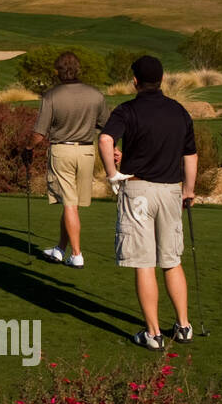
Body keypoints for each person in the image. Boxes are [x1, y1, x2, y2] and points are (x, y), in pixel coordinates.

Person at [98, 56, 197, 350]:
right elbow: (189, 155)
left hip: (138, 190)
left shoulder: (127, 109)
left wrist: (113, 173)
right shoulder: (179, 111)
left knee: (144, 263)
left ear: (135, 82)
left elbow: (105, 140)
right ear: (162, 80)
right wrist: (189, 190)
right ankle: (183, 326)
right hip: (170, 191)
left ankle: (153, 334)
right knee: (171, 261)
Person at [24, 51, 111, 267]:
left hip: (62, 151)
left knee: (70, 204)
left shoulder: (51, 96)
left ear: (58, 72)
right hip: (87, 152)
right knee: (72, 204)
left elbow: (39, 133)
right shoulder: (96, 95)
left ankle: (76, 254)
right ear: (78, 69)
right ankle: (59, 249)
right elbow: (106, 125)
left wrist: (27, 148)